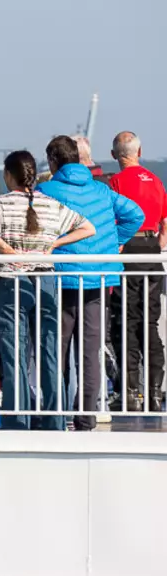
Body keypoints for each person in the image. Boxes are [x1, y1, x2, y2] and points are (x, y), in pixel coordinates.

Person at [0, 150, 95, 430]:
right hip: (45, 281)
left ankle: (16, 418)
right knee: (49, 351)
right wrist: (52, 245)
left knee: (14, 351)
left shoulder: (1, 203)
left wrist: (7, 250)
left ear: (9, 175)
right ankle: (54, 419)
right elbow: (88, 228)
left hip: (12, 280)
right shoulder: (51, 204)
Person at [37, 135, 143, 430]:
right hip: (97, 279)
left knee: (56, 350)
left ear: (53, 161)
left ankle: (54, 414)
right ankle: (85, 417)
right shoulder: (102, 190)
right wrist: (115, 244)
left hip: (62, 279)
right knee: (90, 352)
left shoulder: (46, 190)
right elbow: (136, 214)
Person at [107, 131, 167, 411]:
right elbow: (165, 223)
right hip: (152, 252)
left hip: (128, 251)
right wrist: (157, 244)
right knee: (150, 323)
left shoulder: (116, 182)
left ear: (113, 155)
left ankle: (130, 392)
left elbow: (112, 218)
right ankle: (155, 392)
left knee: (124, 321)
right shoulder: (155, 181)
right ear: (139, 152)